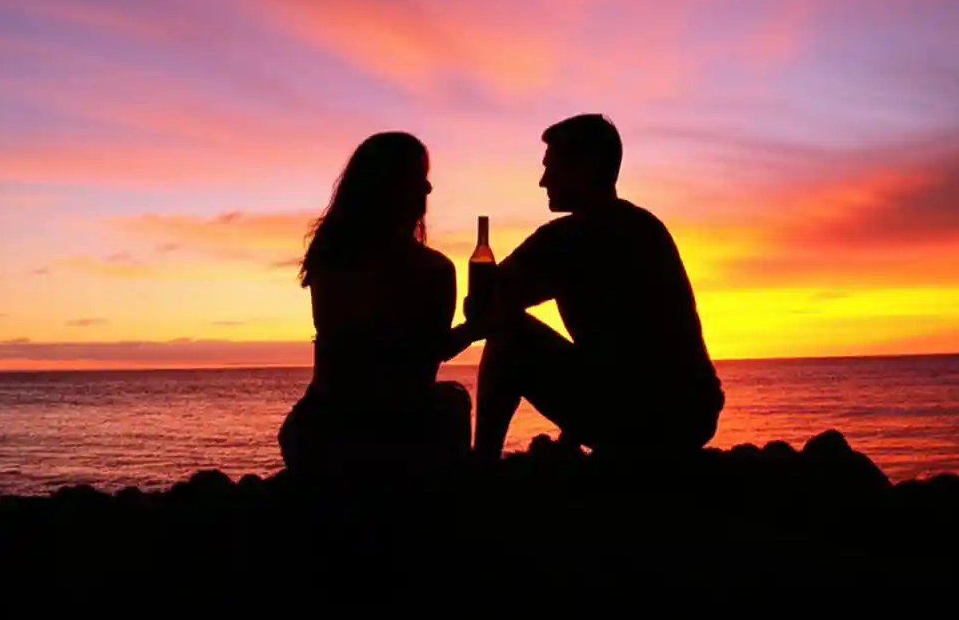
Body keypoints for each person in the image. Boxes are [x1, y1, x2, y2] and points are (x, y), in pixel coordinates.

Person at [467, 114, 724, 462]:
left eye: (551, 167)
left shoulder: (569, 239)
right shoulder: (646, 227)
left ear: (584, 168)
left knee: (509, 338)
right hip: (694, 417)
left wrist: (453, 335)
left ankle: (482, 467)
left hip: (644, 419)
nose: (543, 181)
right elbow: (623, 348)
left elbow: (487, 308)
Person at [279, 132, 472, 479]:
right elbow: (423, 361)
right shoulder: (434, 269)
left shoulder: (330, 257)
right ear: (390, 186)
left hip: (317, 432)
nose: (428, 189)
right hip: (390, 432)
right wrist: (475, 329)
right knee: (453, 403)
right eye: (419, 178)